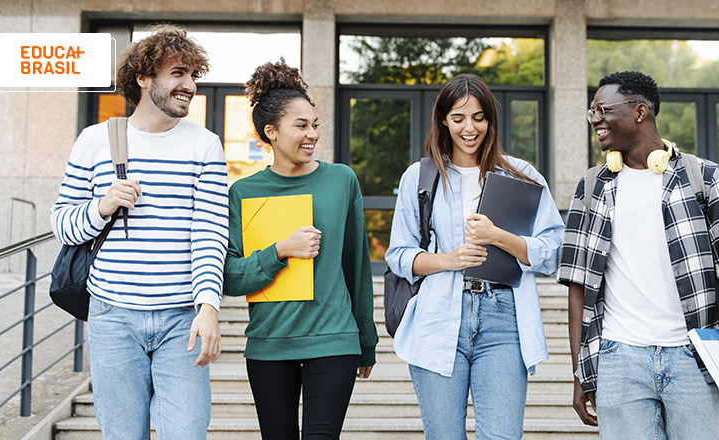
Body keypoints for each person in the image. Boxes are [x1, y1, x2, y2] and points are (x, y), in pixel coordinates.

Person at [557, 70, 719, 439]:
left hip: (693, 357)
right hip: (619, 360)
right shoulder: (591, 187)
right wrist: (581, 372)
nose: (596, 120)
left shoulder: (703, 176)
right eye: (593, 113)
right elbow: (577, 285)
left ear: (640, 112)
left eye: (603, 110)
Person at [49, 25, 228, 439]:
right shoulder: (95, 140)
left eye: (193, 75)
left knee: (185, 432)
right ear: (143, 77)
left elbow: (210, 233)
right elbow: (62, 222)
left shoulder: (205, 145)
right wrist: (103, 205)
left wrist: (208, 306)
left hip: (182, 319)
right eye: (178, 73)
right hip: (112, 318)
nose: (190, 85)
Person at [385, 73, 564, 440]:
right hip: (437, 316)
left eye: (479, 117)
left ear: (490, 121)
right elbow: (400, 255)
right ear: (443, 121)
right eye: (458, 118)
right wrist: (449, 259)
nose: (470, 128)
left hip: (503, 317)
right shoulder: (419, 177)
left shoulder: (521, 175)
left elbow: (554, 251)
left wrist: (500, 237)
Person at [223, 59, 378, 440]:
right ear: (271, 132)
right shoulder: (243, 193)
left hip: (333, 338)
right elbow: (228, 274)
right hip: (269, 343)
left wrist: (366, 340)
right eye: (301, 126)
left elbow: (355, 265)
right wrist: (279, 251)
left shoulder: (341, 180)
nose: (312, 135)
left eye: (315, 125)